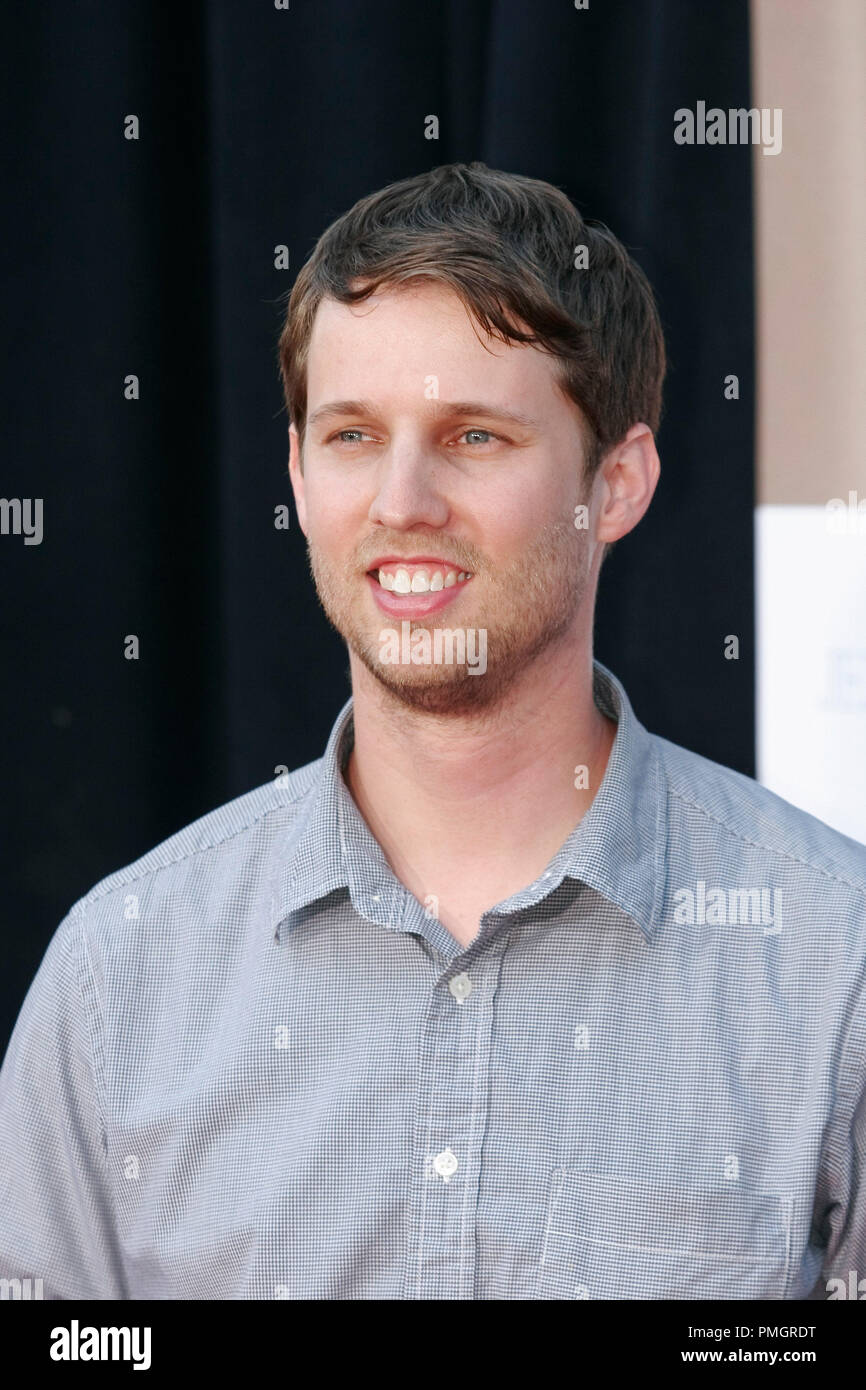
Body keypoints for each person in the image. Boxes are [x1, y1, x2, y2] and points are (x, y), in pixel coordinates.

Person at [1, 162, 864, 1301]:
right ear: (299, 474)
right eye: (353, 435)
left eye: (472, 438)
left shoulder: (830, 962)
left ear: (614, 483)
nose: (401, 502)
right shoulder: (119, 975)